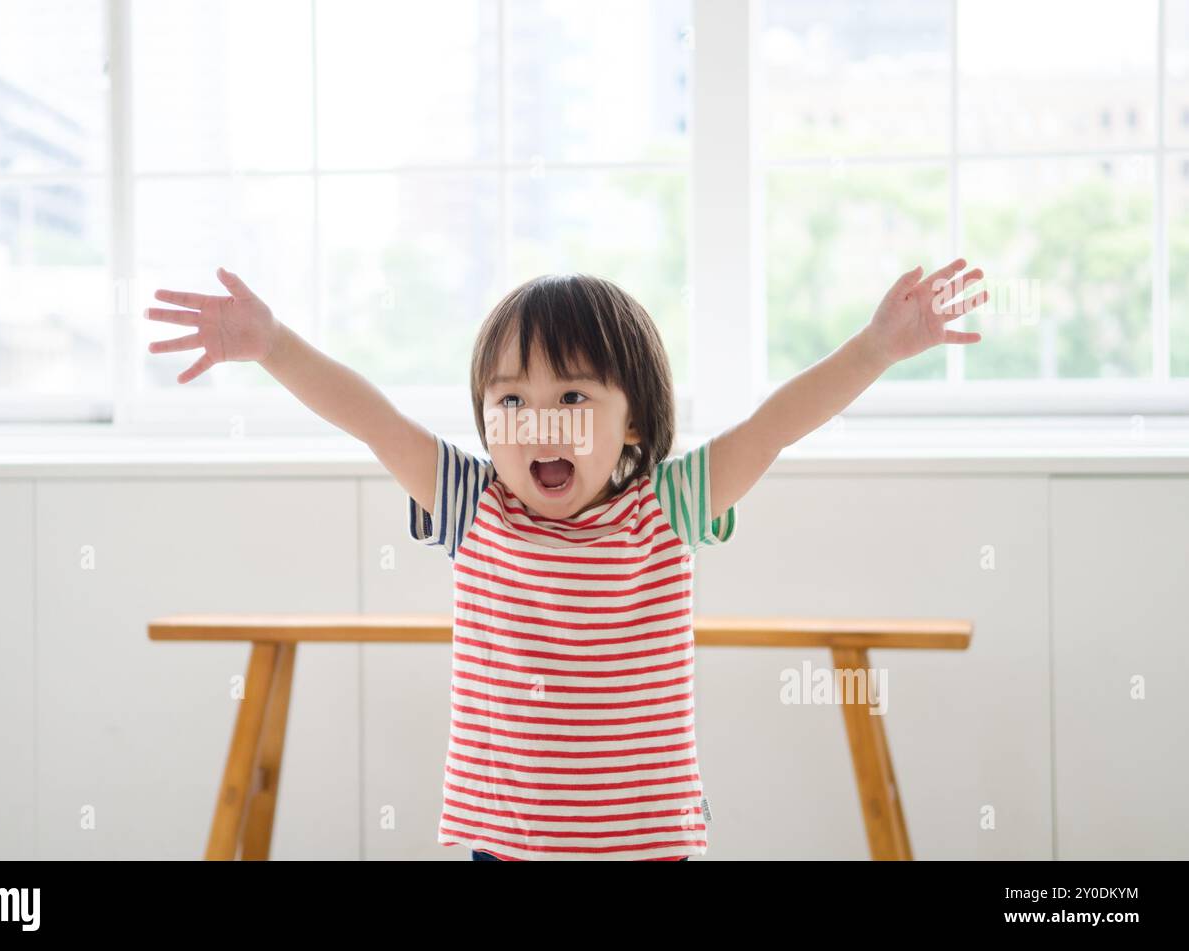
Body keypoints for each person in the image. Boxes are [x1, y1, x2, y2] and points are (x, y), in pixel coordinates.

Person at [145, 262, 984, 860]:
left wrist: (875, 349)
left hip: (648, 842)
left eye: (573, 396)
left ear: (632, 422)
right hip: (509, 843)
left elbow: (774, 425)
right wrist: (272, 344)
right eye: (511, 399)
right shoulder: (473, 506)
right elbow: (372, 417)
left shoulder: (668, 507)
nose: (538, 423)